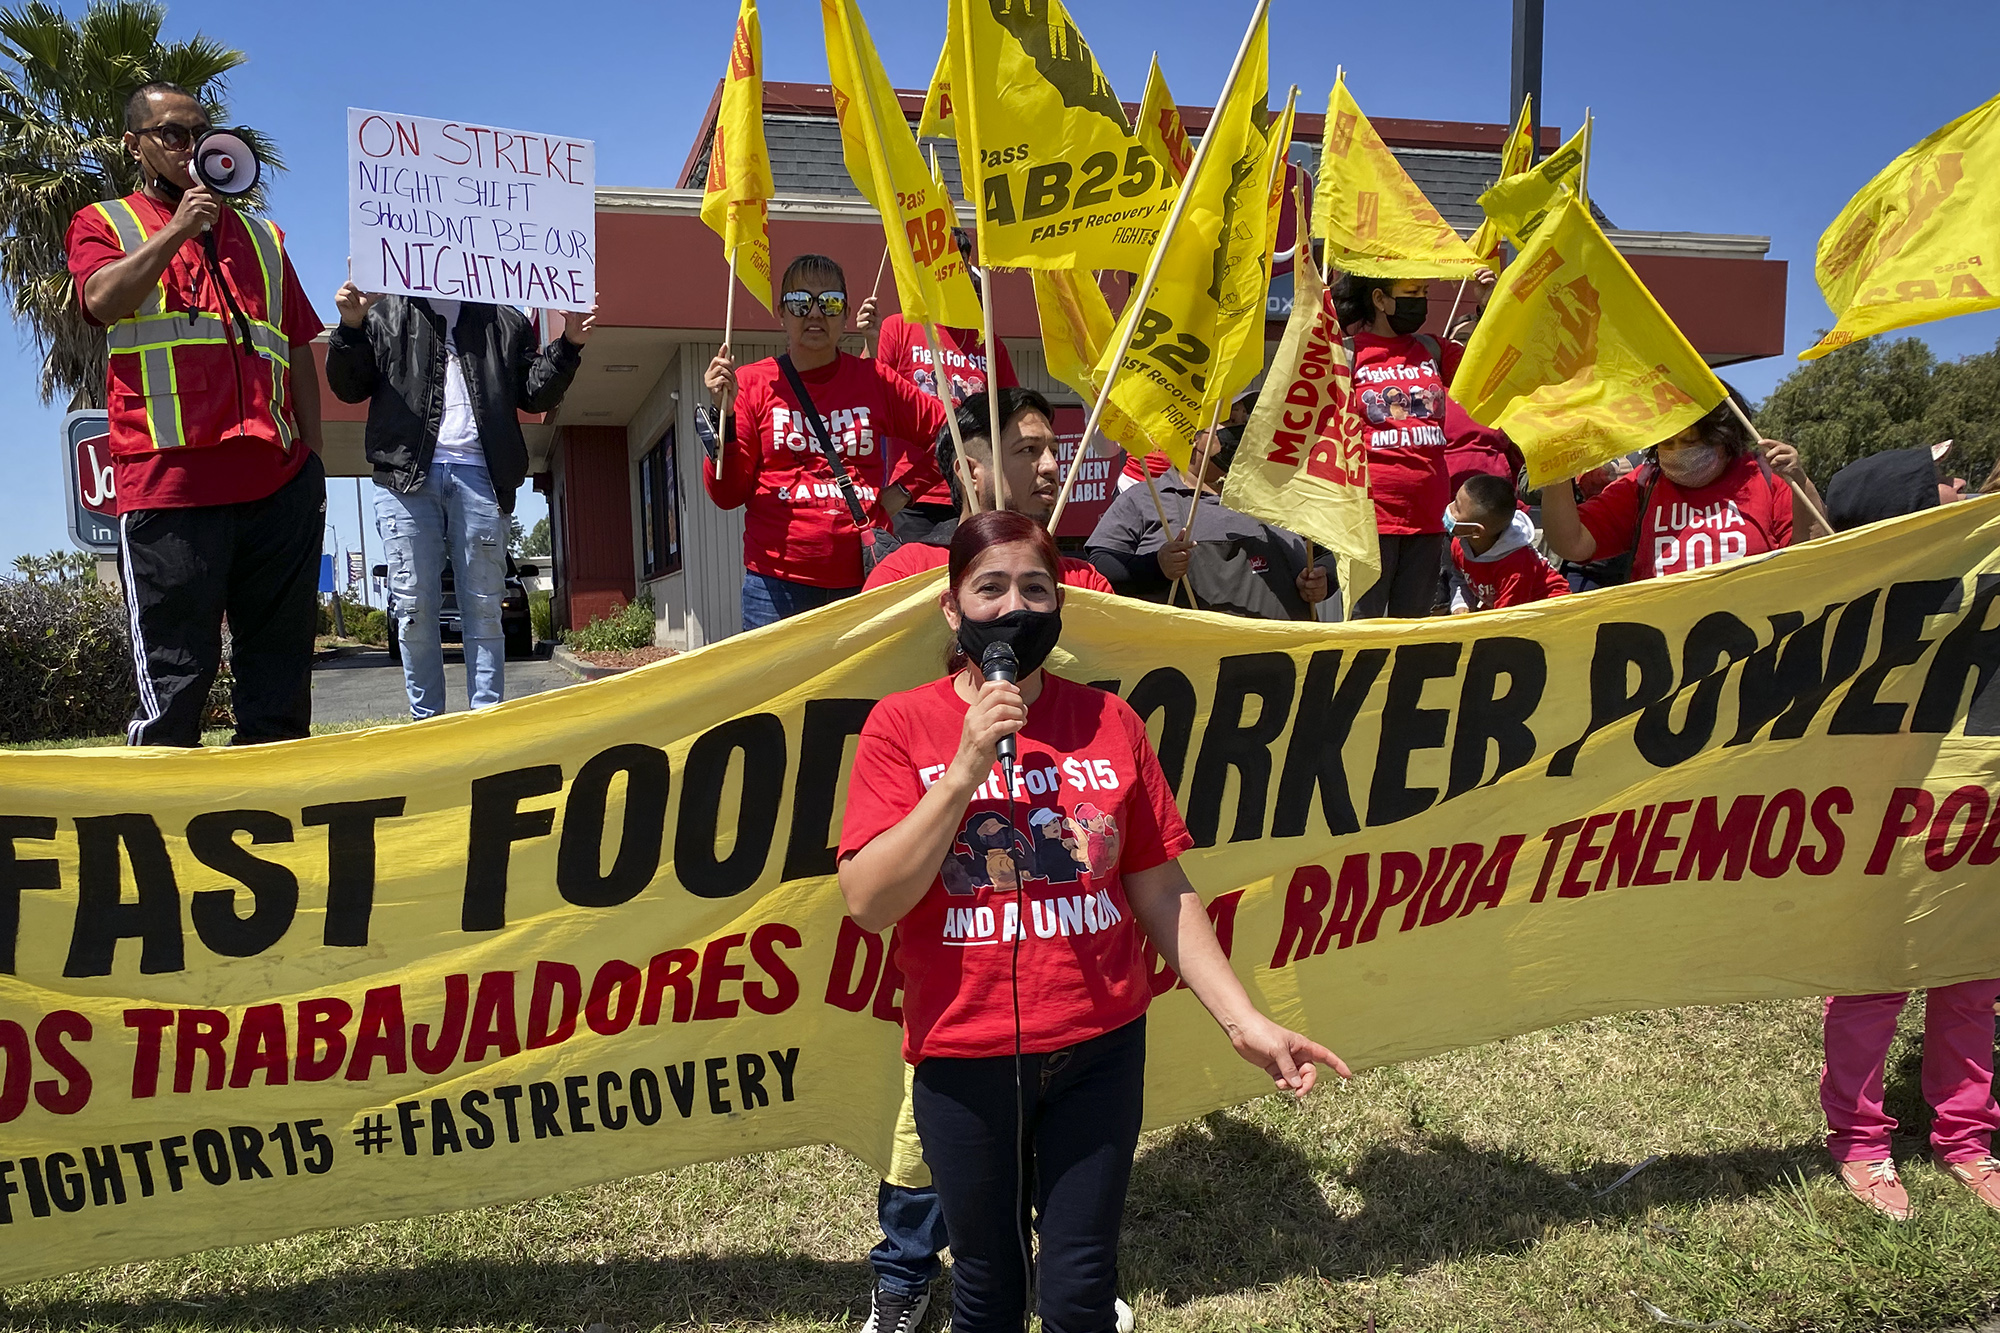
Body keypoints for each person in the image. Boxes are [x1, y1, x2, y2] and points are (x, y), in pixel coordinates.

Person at [837, 510, 1348, 1333]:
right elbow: (869, 901)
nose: (1014, 610)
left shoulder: (1112, 724)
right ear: (951, 608)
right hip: (963, 1056)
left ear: (1062, 606)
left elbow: (1160, 887)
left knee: (1080, 1292)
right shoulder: (902, 726)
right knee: (987, 1289)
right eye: (991, 588)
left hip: (1098, 1050)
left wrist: (1241, 1018)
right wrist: (963, 771)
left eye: (1036, 589)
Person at [66, 82, 326, 746]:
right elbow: (100, 298)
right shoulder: (107, 222)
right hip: (170, 489)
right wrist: (179, 228)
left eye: (200, 132)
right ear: (136, 145)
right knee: (177, 684)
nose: (191, 147)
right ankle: (164, 835)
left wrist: (313, 469)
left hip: (275, 489)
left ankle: (277, 818)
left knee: (279, 684)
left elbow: (296, 347)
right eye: (172, 135)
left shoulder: (264, 238)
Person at [1810, 452, 1998, 1218]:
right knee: (1871, 984)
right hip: (1882, 828)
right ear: (1912, 502)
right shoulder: (1855, 610)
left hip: (1974, 819)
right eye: (1946, 478)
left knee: (1974, 981)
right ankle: (1858, 1140)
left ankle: (1967, 1137)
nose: (1964, 485)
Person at [325, 288, 592, 718]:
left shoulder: (504, 320)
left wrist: (569, 344)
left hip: (481, 476)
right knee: (413, 607)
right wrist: (351, 326)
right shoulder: (386, 313)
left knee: (486, 608)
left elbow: (534, 393)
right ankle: (427, 724)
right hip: (405, 479)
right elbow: (348, 386)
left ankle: (485, 722)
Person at [704, 254, 949, 631]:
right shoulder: (752, 384)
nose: (814, 313)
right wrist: (726, 418)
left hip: (865, 581)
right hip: (775, 587)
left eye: (829, 302)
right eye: (800, 302)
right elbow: (727, 494)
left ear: (846, 314)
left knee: (863, 692)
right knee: (780, 693)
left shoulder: (876, 381)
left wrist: (905, 489)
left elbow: (953, 435)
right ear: (781, 313)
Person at [1538, 390, 1828, 582]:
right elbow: (1572, 543)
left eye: (1690, 441)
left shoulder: (1764, 476)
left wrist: (1799, 481)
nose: (1677, 451)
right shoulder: (1643, 484)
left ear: (1723, 438)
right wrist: (1556, 472)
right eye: (1667, 442)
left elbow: (1812, 558)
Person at [1330, 270, 1489, 618]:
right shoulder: (1344, 353)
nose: (1421, 300)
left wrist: (1486, 302)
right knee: (1362, 634)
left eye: (1425, 291)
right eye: (1412, 290)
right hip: (1368, 521)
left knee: (1412, 637)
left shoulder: (1433, 349)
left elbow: (1489, 365)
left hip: (1429, 519)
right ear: (1380, 300)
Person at [854, 229, 1019, 542]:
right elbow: (863, 399)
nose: (949, 276)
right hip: (913, 504)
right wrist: (872, 342)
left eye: (958, 267)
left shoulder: (988, 341)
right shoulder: (898, 328)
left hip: (976, 496)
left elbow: (1012, 421)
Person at [862, 386, 1112, 592]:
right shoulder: (906, 575)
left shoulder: (1085, 583)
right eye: (1028, 450)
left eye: (1053, 452)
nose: (1051, 466)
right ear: (970, 473)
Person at [1086, 426, 1333, 620]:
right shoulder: (1145, 498)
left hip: (1286, 668)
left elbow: (1336, 554)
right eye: (1229, 424)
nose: (1241, 432)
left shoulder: (1281, 496)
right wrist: (1156, 567)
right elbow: (1100, 565)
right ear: (1193, 437)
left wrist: (1324, 581)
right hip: (1193, 671)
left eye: (1244, 420)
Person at [1445, 474, 1568, 612]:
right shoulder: (1460, 544)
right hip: (1507, 605)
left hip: (1550, 610)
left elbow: (1507, 618)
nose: (1449, 508)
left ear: (1476, 531)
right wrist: (1460, 605)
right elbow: (1460, 579)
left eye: (1457, 508)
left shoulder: (1515, 566)